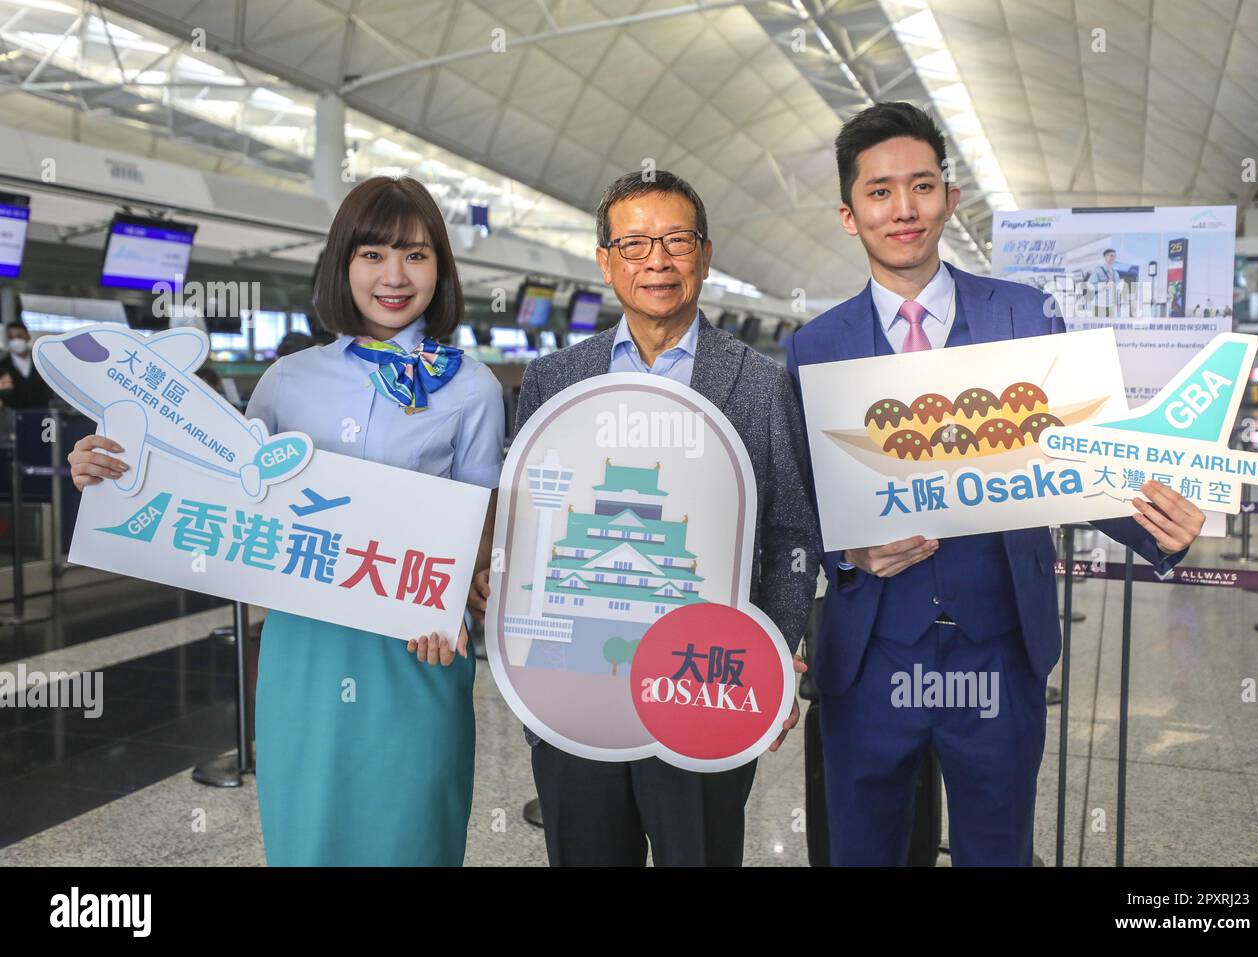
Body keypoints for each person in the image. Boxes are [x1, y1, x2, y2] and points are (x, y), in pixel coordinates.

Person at [786, 102, 1206, 866]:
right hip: (871, 653)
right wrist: (847, 551)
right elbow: (797, 500)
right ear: (849, 215)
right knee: (864, 849)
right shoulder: (814, 346)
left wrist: (1157, 522)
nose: (903, 209)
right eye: (879, 192)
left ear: (951, 197)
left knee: (997, 850)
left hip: (999, 651)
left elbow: (1074, 453)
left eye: (921, 186)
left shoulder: (1025, 314)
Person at [68, 176, 504, 865]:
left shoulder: (472, 387)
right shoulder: (287, 380)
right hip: (306, 644)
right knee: (310, 834)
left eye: (416, 255)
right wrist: (113, 467)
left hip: (415, 647)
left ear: (441, 269)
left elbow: (481, 522)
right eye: (372, 254)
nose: (394, 275)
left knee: (411, 832)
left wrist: (459, 600)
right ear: (342, 263)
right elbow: (216, 484)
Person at [471, 170, 821, 866]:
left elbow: (790, 530)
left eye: (675, 240)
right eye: (633, 243)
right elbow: (530, 514)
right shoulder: (556, 376)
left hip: (705, 684)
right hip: (571, 688)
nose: (655, 260)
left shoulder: (758, 380)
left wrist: (773, 657)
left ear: (705, 252)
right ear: (605, 259)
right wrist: (496, 574)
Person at [0, 321, 55, 409]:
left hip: (41, 415)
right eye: (11, 338)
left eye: (19, 336)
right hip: (13, 418)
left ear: (28, 337)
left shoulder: (41, 362)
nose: (15, 341)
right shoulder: (3, 366)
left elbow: (49, 391)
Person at [1089, 248, 1121, 317]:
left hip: (1111, 306)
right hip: (1099, 305)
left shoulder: (1116, 274)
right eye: (1111, 256)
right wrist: (1103, 285)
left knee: (1110, 326)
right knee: (1099, 326)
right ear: (1105, 257)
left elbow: (1117, 290)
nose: (1113, 258)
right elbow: (1090, 286)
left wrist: (1118, 304)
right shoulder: (1098, 270)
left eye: (1114, 256)